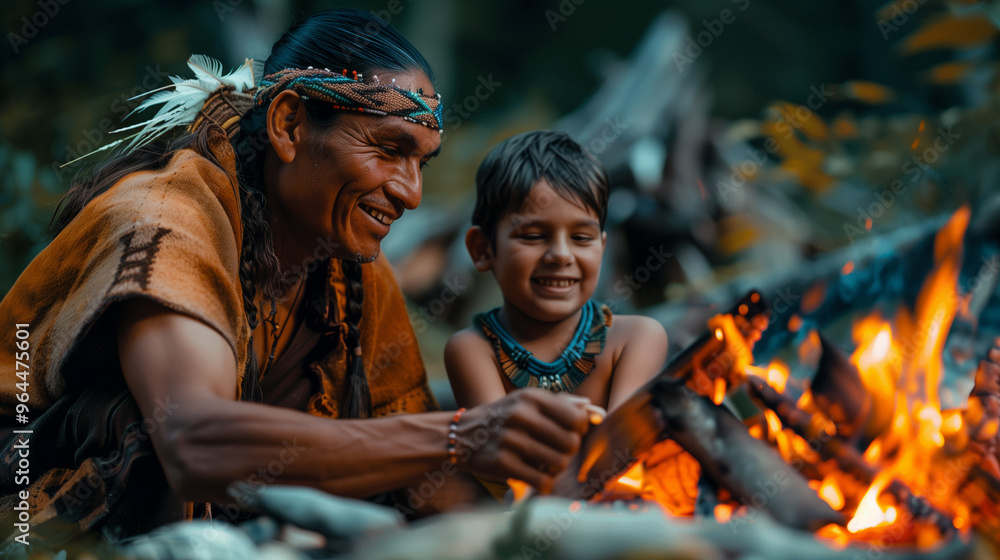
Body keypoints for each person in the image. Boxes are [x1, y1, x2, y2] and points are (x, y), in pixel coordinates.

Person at [0, 10, 591, 547]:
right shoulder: (167, 220)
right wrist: (463, 434)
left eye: (421, 162)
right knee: (138, 430)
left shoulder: (350, 265)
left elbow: (416, 473)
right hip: (22, 509)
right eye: (388, 149)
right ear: (288, 126)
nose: (412, 193)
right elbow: (191, 440)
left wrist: (547, 528)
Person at [446, 130, 669, 413]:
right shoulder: (473, 350)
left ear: (601, 248)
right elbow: (500, 449)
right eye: (533, 236)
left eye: (581, 238)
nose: (561, 255)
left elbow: (623, 446)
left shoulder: (637, 339)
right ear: (482, 249)